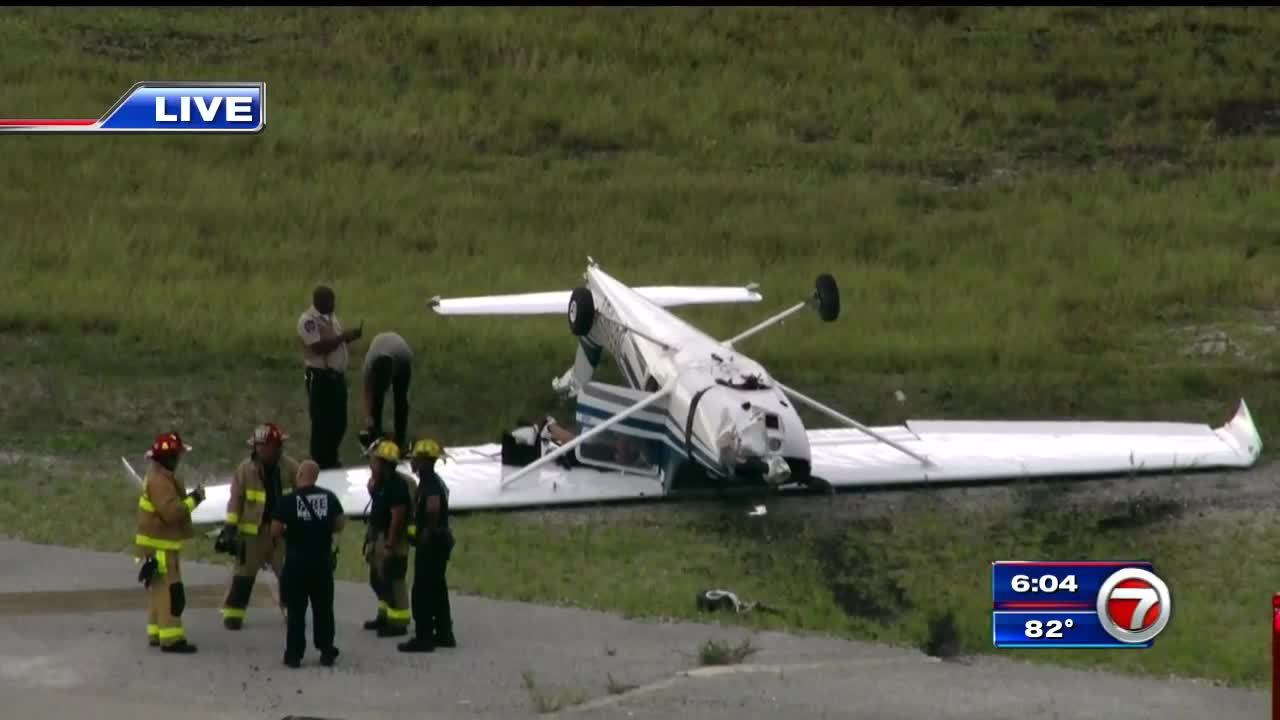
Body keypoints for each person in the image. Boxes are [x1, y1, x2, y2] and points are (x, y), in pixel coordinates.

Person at [219, 422, 300, 629]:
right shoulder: (245, 470)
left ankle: (293, 611)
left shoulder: (291, 468)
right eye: (259, 446)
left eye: (268, 446)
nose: (262, 450)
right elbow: (235, 500)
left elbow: (302, 497)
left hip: (281, 532)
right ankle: (233, 613)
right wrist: (230, 527)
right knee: (243, 575)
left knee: (289, 573)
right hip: (252, 534)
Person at [134, 431, 204, 653]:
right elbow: (172, 513)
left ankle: (156, 633)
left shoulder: (159, 477)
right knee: (171, 593)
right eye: (177, 456)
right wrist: (195, 499)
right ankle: (171, 639)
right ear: (169, 458)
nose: (179, 460)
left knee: (158, 591)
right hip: (160, 547)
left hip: (157, 546)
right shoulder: (159, 482)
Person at [271, 460, 345, 668]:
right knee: (323, 609)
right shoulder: (329, 497)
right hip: (321, 562)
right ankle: (327, 650)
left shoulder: (288, 501)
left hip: (296, 563)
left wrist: (289, 531)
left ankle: (294, 654)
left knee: (296, 611)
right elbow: (339, 524)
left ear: (301, 474)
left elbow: (275, 530)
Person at [398, 438, 457, 652]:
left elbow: (432, 509)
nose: (412, 463)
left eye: (415, 459)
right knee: (437, 588)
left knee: (421, 590)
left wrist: (426, 533)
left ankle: (424, 637)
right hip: (439, 542)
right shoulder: (432, 480)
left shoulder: (430, 484)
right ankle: (443, 633)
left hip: (432, 544)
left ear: (424, 461)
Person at [298, 284, 362, 469]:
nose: (333, 304)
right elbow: (318, 347)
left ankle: (331, 456)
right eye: (329, 301)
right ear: (318, 302)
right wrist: (343, 337)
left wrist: (350, 336)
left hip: (336, 377)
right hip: (320, 378)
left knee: (339, 422)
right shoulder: (308, 321)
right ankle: (320, 463)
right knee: (321, 423)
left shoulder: (331, 318)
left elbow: (335, 340)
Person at [361, 438, 416, 637]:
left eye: (373, 461)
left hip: (392, 539)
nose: (370, 465)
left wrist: (390, 544)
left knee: (394, 579)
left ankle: (399, 622)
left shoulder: (397, 486)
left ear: (384, 463)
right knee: (377, 578)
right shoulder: (382, 482)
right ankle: (384, 615)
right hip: (380, 536)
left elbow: (397, 516)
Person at [358, 332, 414, 451]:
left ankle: (400, 438)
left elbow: (404, 397)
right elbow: (366, 393)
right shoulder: (369, 365)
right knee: (376, 398)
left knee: (400, 399)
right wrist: (368, 418)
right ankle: (375, 435)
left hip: (400, 353)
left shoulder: (404, 358)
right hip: (381, 345)